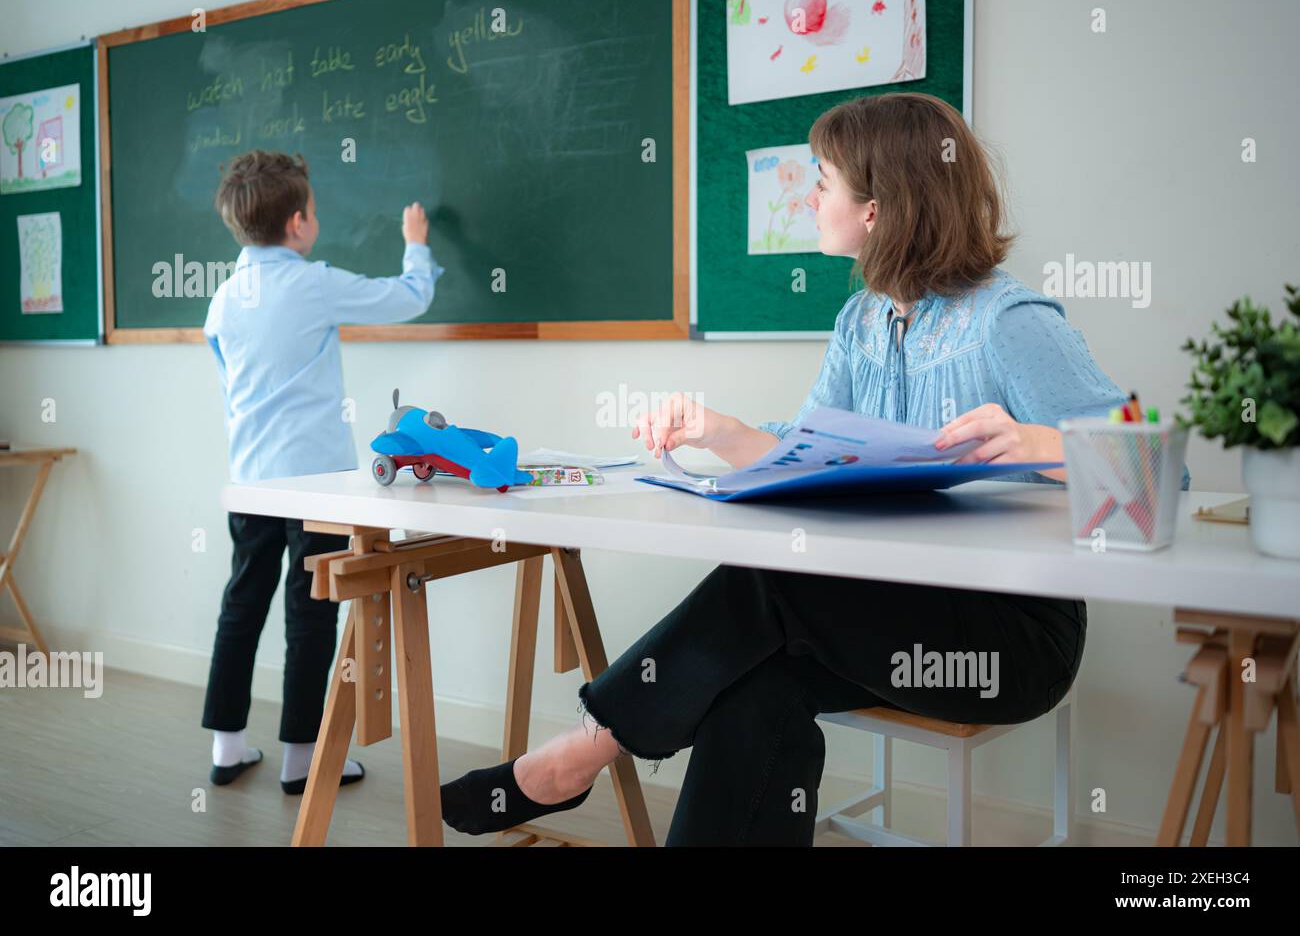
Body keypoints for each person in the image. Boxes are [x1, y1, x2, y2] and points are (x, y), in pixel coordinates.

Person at [440, 93, 1130, 844]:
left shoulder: (1009, 321)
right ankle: (579, 759)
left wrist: (1039, 445)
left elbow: (1154, 480)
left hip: (1005, 642)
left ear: (876, 209)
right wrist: (720, 431)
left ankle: (577, 755)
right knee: (751, 686)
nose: (809, 197)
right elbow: (812, 454)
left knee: (777, 577)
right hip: (880, 616)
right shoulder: (860, 321)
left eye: (822, 181)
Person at [201, 150, 441, 793]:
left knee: (241, 604)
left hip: (249, 479)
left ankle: (226, 748)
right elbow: (409, 298)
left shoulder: (222, 300)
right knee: (311, 611)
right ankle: (302, 762)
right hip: (318, 486)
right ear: (300, 222)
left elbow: (229, 387)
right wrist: (416, 245)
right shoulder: (313, 282)